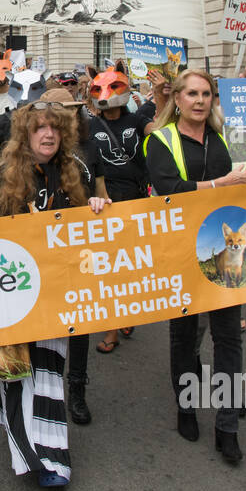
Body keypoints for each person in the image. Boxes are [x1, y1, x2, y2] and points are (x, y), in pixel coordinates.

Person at [0, 103, 109, 486]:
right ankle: (46, 462)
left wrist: (97, 207)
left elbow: (88, 228)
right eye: (39, 129)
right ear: (26, 135)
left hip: (58, 294)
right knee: (22, 369)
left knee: (48, 369)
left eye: (55, 128)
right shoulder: (4, 178)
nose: (48, 135)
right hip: (16, 293)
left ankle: (34, 440)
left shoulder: (72, 173)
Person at [145, 70, 246, 464]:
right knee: (185, 336)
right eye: (192, 93)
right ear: (176, 98)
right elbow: (169, 191)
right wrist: (222, 183)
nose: (199, 100)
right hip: (181, 254)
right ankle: (187, 405)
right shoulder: (160, 140)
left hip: (224, 252)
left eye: (206, 94)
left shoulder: (226, 138)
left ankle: (227, 426)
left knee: (229, 338)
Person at [83, 64, 152, 352]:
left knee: (133, 266)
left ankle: (128, 311)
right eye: (98, 88)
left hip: (137, 199)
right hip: (106, 200)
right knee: (110, 269)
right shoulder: (89, 126)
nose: (105, 95)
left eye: (111, 87)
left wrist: (163, 93)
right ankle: (111, 329)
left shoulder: (138, 121)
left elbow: (161, 134)